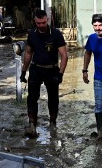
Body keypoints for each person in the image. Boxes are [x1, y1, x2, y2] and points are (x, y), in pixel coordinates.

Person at [20, 9, 68, 137]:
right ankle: (32, 124)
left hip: (52, 70)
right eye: (38, 23)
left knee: (53, 98)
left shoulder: (56, 34)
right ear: (35, 21)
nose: (41, 25)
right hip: (36, 69)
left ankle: (52, 122)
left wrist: (61, 74)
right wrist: (23, 71)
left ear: (47, 20)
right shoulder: (32, 34)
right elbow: (28, 53)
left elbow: (64, 55)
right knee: (32, 97)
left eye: (43, 22)